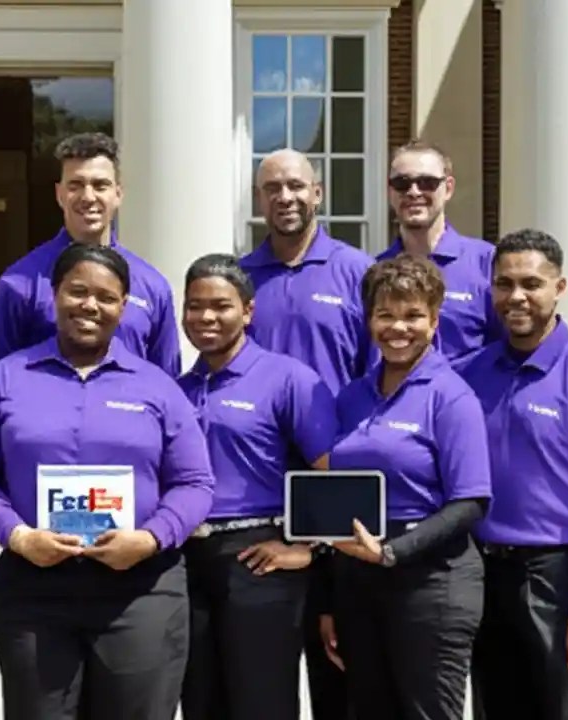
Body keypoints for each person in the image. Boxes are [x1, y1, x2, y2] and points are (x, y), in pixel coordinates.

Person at [0, 243, 215, 719]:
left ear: (123, 307)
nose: (90, 305)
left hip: (139, 591)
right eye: (77, 292)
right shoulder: (7, 378)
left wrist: (150, 538)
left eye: (106, 297)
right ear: (54, 295)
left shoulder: (157, 386)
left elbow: (195, 482)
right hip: (36, 589)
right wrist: (17, 535)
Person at [458, 229, 568, 720]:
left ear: (559, 288)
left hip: (560, 578)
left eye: (531, 284)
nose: (516, 296)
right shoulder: (470, 375)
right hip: (486, 577)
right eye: (504, 284)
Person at [322, 255, 491, 720]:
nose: (399, 327)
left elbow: (471, 502)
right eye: (386, 315)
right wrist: (330, 598)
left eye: (413, 315)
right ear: (369, 321)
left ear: (434, 321)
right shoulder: (352, 396)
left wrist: (392, 552)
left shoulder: (451, 397)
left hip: (432, 582)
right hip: (359, 583)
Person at [240, 147, 374, 720]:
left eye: (296, 185)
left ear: (317, 193)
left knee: (338, 664)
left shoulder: (357, 272)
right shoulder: (241, 278)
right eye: (272, 188)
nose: (285, 197)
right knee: (263, 673)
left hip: (334, 483)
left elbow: (378, 378)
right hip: (262, 488)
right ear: (258, 199)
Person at [175, 253, 338, 720]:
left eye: (221, 306)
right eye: (195, 306)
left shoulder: (288, 379)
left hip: (259, 558)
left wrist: (310, 547)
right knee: (201, 704)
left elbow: (334, 472)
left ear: (247, 311)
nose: (206, 317)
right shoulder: (177, 389)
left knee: (260, 704)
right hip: (186, 562)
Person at [0, 132, 181, 377]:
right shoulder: (19, 283)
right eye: (75, 185)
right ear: (59, 194)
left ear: (118, 194)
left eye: (100, 185)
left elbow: (167, 381)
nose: (88, 197)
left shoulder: (152, 286)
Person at [377, 140, 501, 362]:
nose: (414, 192)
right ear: (390, 190)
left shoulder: (486, 264)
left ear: (448, 188)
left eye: (427, 183)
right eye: (402, 183)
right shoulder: (375, 270)